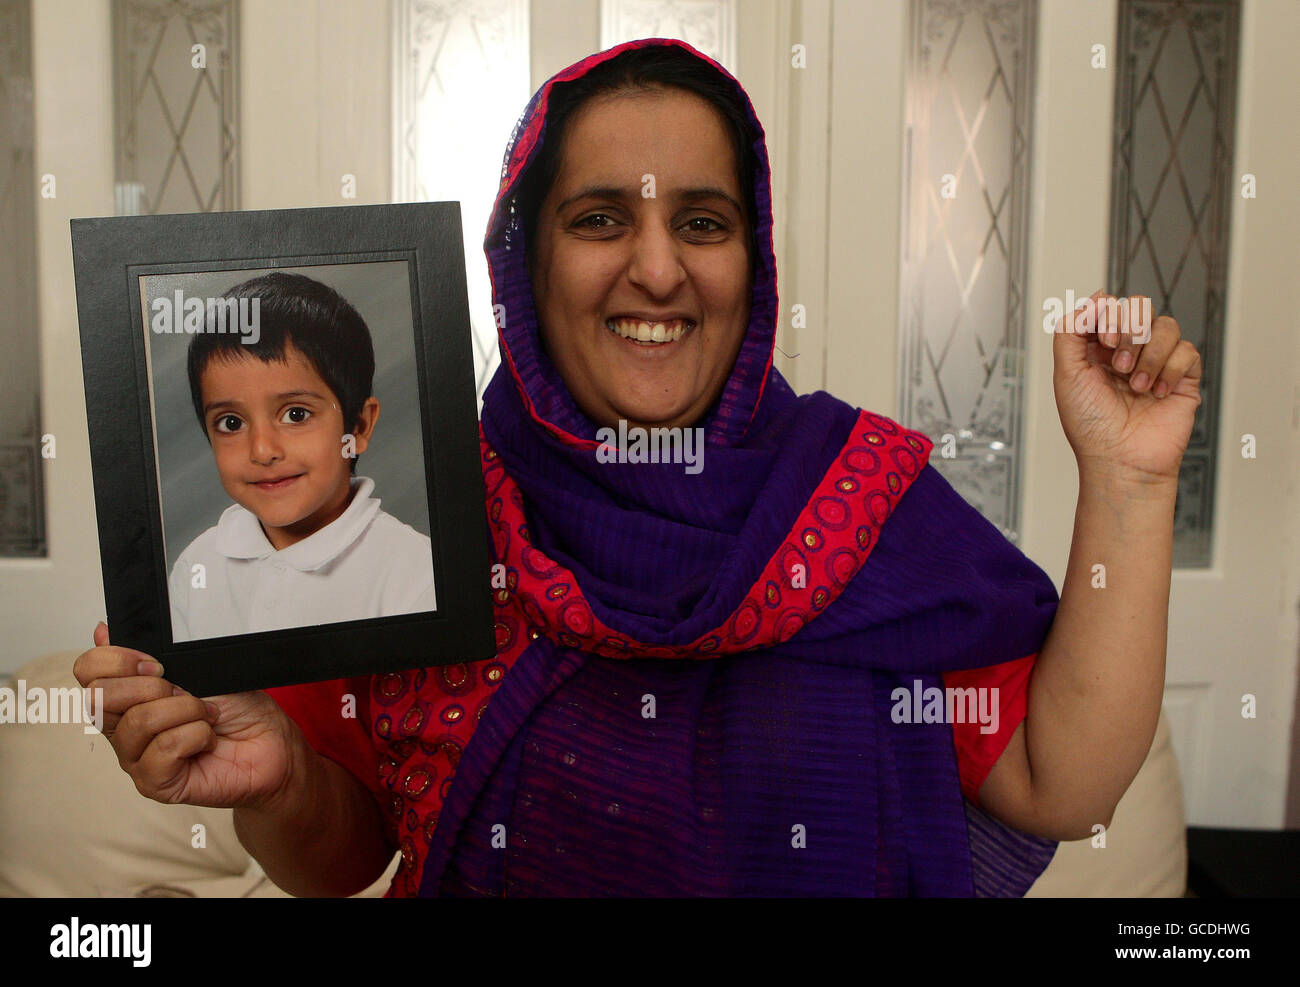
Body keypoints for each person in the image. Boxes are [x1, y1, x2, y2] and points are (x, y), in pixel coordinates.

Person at [76, 39, 1202, 896]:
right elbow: (343, 856)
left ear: (751, 265)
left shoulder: (855, 502)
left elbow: (1064, 781)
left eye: (703, 222)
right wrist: (276, 779)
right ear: (527, 259)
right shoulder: (422, 521)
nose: (656, 269)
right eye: (602, 217)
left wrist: (1130, 483)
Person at [168, 271, 435, 642]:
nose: (262, 451)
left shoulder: (418, 575)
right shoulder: (196, 566)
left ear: (357, 427)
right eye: (231, 423)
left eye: (296, 414)